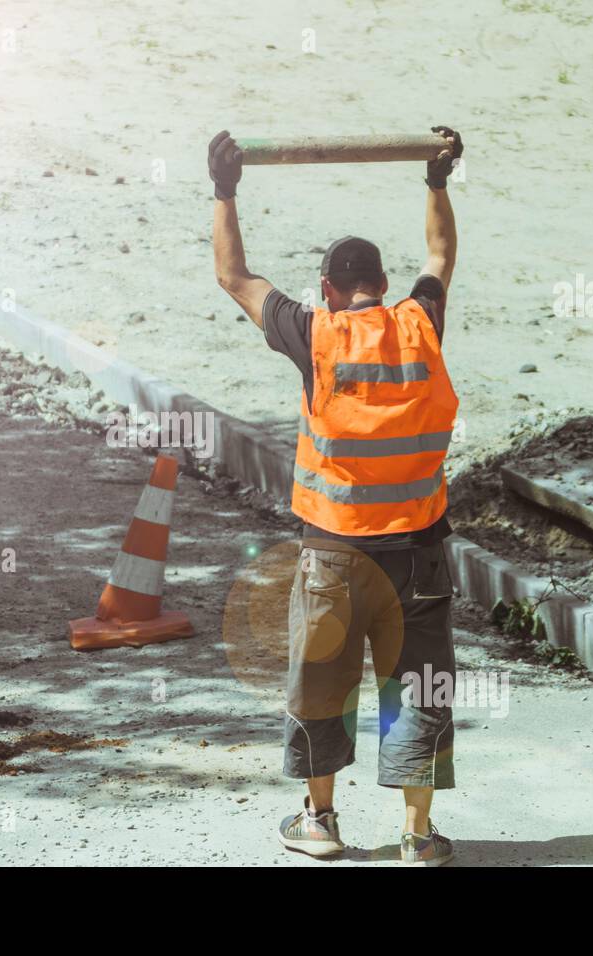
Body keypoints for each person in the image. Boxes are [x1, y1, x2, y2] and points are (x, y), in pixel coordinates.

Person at [210, 126, 463, 865]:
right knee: (419, 686)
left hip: (334, 554)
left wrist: (225, 190)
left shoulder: (313, 334)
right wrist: (436, 179)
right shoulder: (421, 323)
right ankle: (418, 835)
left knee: (322, 681)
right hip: (419, 555)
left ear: (328, 288)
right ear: (383, 286)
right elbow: (441, 255)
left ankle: (320, 823)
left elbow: (234, 276)